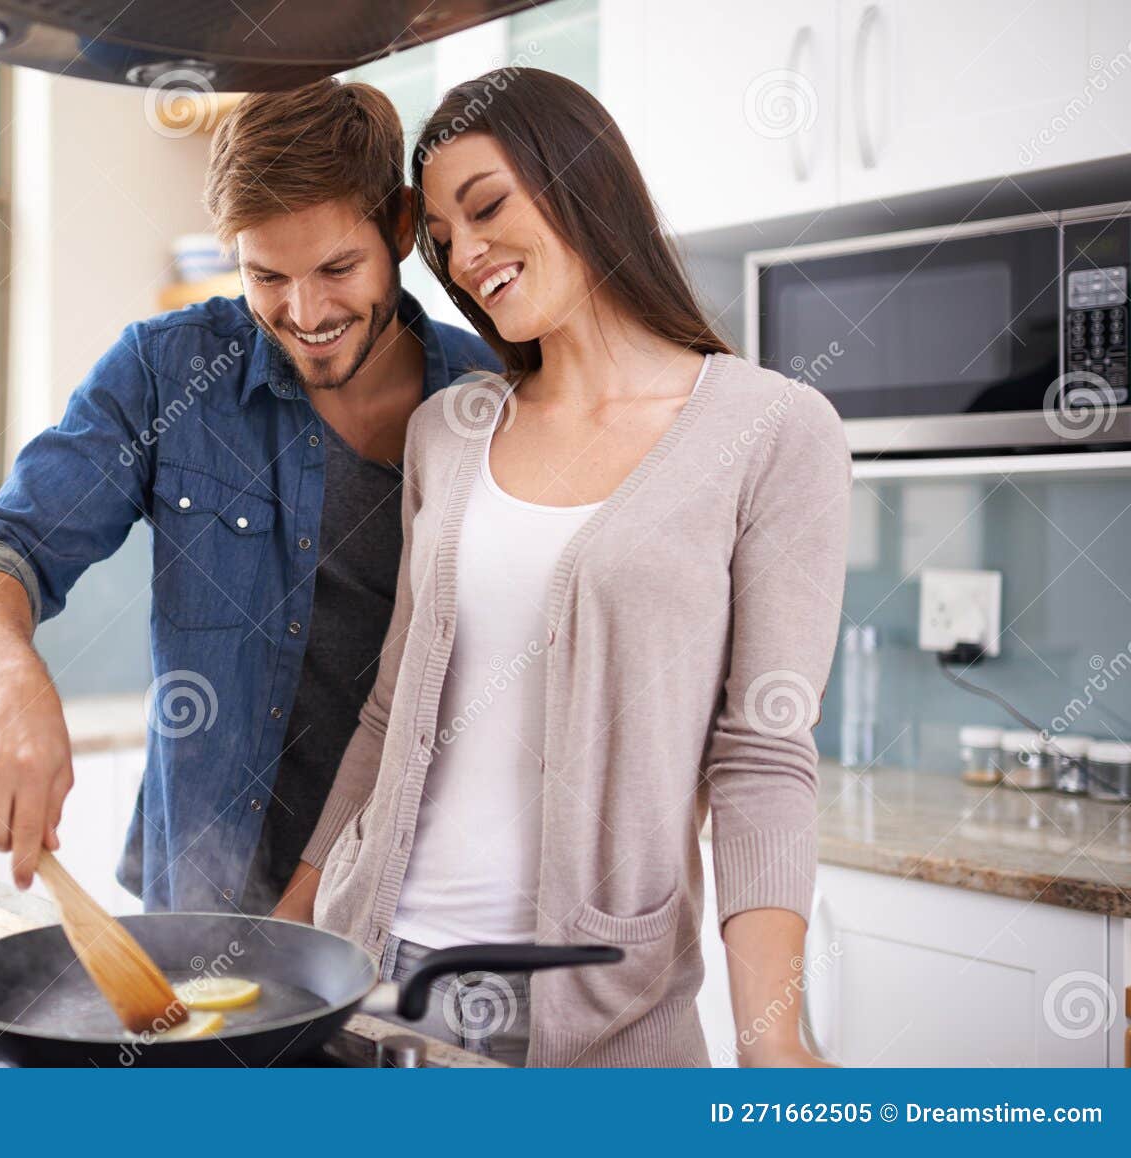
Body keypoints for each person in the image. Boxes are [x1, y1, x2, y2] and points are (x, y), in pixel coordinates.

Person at [271, 69, 851, 1068]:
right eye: (444, 241)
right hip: (375, 983)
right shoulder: (448, 432)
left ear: (584, 178)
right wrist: (289, 941)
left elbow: (761, 759)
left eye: (488, 206)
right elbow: (387, 712)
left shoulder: (772, 430)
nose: (469, 255)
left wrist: (774, 1040)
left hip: (595, 1010)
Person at [0, 78, 497, 912]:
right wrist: (7, 679)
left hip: (423, 908)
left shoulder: (493, 397)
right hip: (205, 906)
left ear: (400, 227)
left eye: (337, 267)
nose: (305, 313)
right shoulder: (168, 372)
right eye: (266, 276)